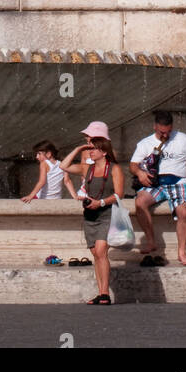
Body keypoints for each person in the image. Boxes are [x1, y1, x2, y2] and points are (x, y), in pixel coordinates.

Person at [60, 122, 126, 305]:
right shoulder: (86, 168)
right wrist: (78, 148)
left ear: (104, 151)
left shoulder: (115, 169)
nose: (91, 151)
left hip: (107, 213)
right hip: (90, 216)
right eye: (90, 149)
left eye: (94, 149)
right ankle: (101, 292)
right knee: (95, 254)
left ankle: (105, 293)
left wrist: (101, 202)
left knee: (101, 251)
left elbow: (119, 194)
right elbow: (63, 166)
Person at [130, 110, 186, 266]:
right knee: (140, 202)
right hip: (156, 182)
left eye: (169, 131)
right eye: (162, 132)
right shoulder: (145, 143)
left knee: (183, 211)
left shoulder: (183, 139)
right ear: (155, 127)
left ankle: (182, 251)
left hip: (177, 181)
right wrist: (139, 173)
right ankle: (151, 241)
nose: (166, 135)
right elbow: (133, 165)